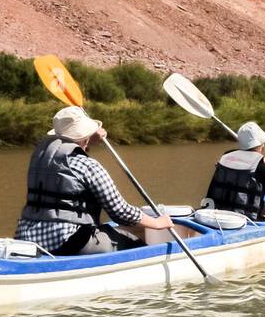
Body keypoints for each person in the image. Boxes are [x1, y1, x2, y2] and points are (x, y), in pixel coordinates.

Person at [15, 106, 174, 255]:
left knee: (107, 231)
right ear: (85, 137)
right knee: (132, 243)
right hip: (67, 241)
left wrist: (89, 137)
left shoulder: (38, 160)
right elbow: (120, 212)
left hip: (27, 237)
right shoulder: (88, 166)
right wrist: (157, 223)